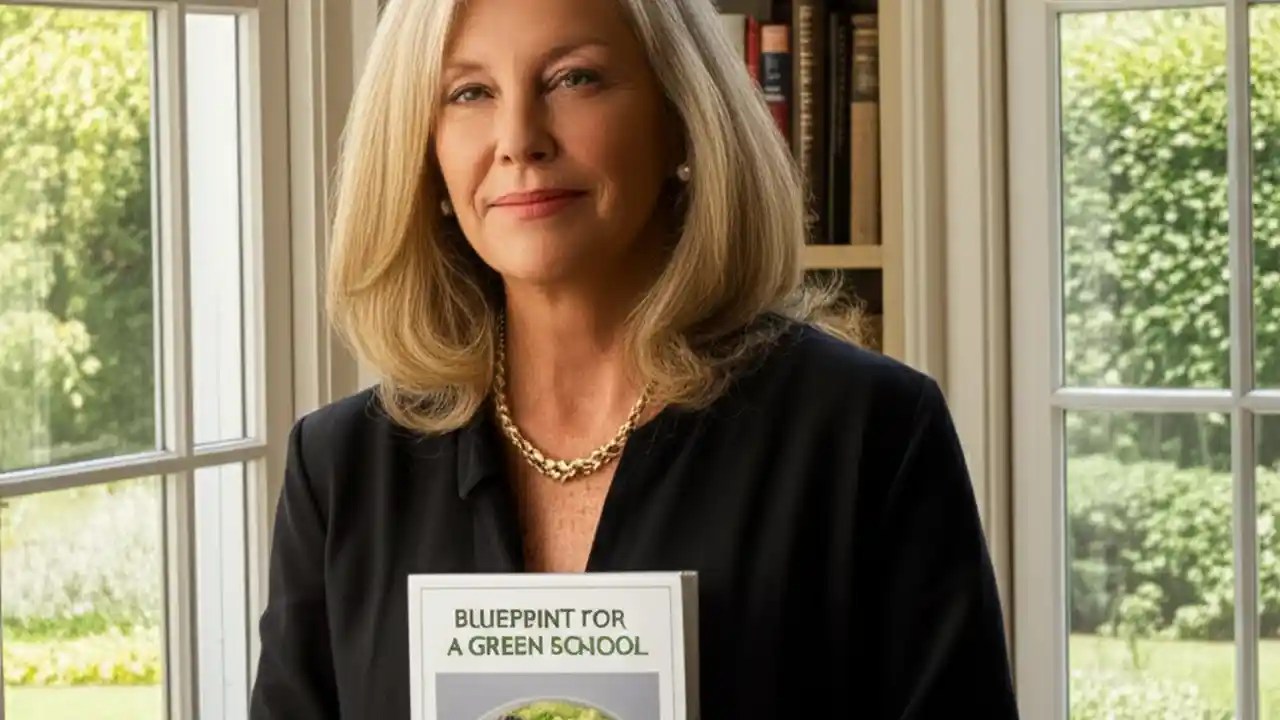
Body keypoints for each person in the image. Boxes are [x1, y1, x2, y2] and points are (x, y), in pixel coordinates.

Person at [248, 0, 1020, 717]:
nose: (520, 138)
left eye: (573, 78)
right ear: (424, 153)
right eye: (468, 93)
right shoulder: (341, 466)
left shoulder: (867, 431)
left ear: (682, 119)